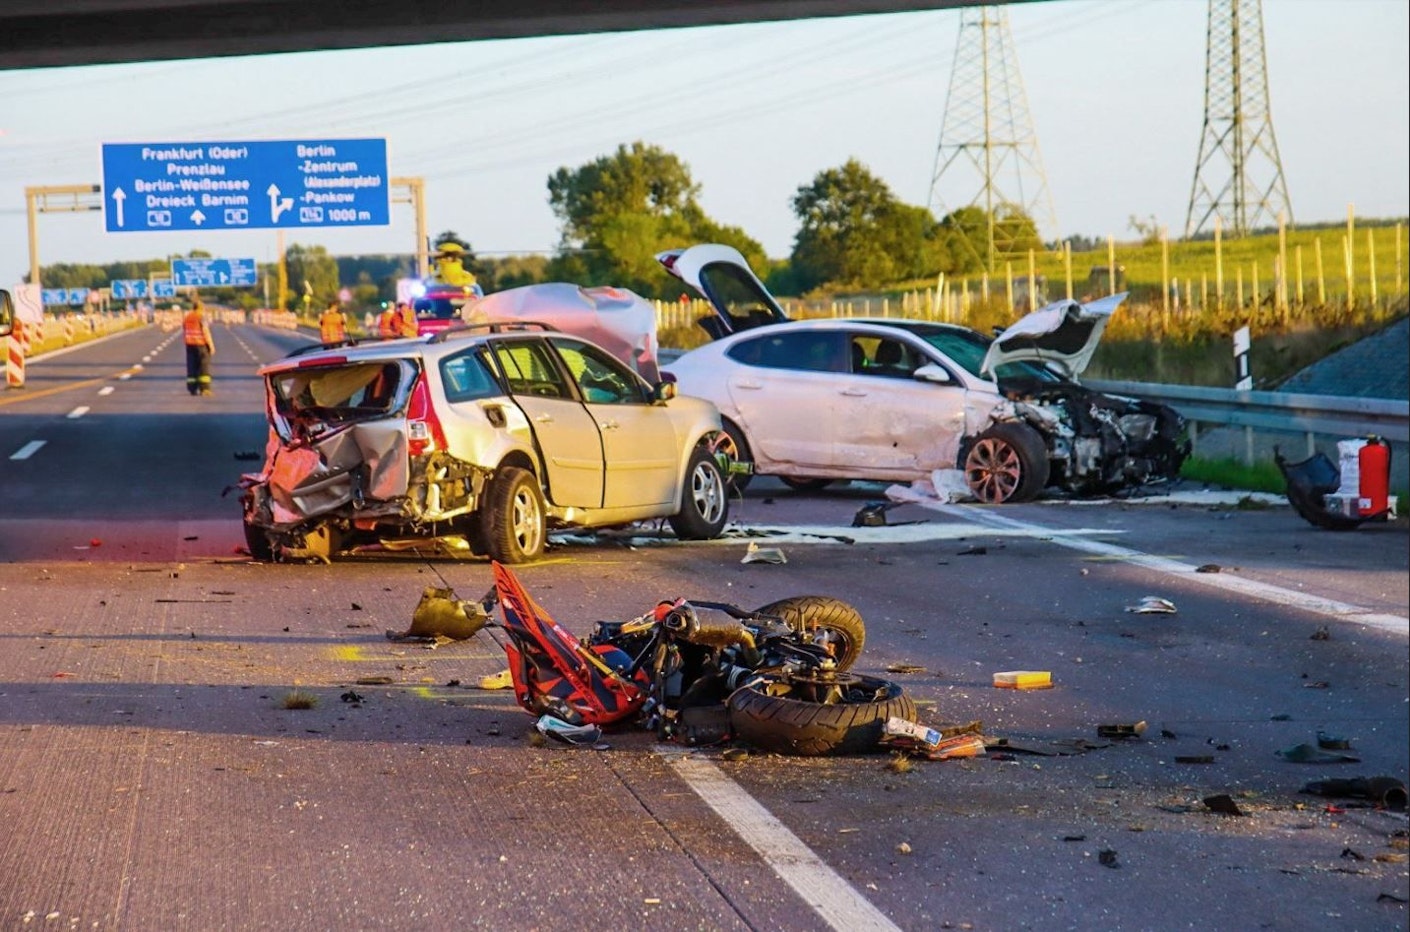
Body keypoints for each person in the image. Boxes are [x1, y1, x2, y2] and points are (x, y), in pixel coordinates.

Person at [181, 299, 215, 395]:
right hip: (201, 344)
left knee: (192, 366)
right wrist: (211, 345)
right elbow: (205, 331)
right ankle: (205, 389)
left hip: (189, 344)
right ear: (201, 309)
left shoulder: (187, 317)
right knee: (203, 366)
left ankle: (192, 388)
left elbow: (184, 329)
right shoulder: (201, 317)